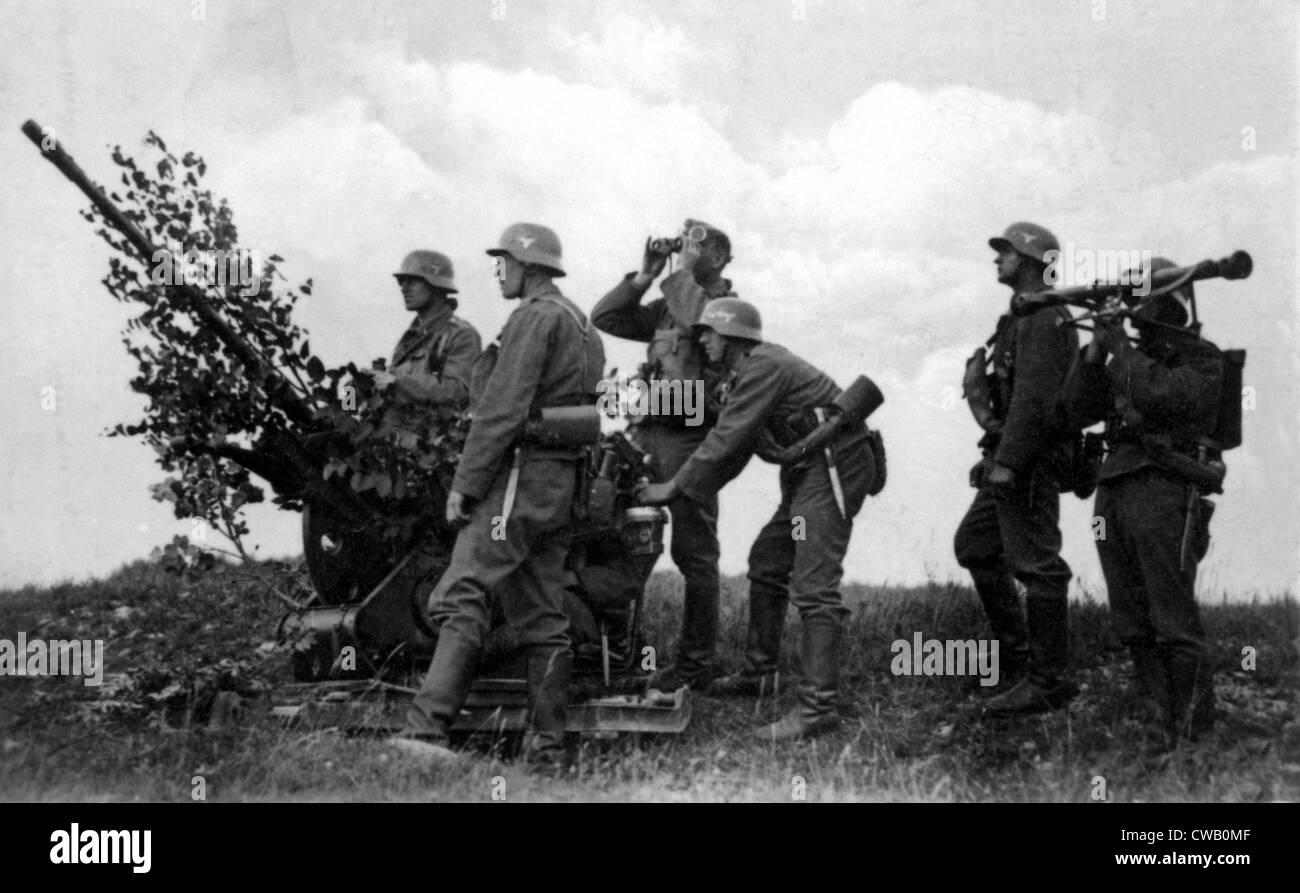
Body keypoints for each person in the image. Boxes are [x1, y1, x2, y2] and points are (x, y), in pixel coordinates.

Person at [391, 223, 606, 769]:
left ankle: (425, 732)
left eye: (503, 263)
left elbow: (501, 409)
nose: (498, 274)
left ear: (526, 267)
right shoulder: (584, 326)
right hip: (562, 485)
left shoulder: (534, 318)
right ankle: (548, 749)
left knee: (459, 593)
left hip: (518, 480)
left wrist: (465, 485)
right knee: (542, 615)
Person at [638, 298, 875, 741]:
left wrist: (672, 488)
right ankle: (760, 675)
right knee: (768, 560)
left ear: (731, 336)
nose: (701, 340)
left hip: (835, 463)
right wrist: (688, 490)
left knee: (815, 584)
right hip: (810, 470)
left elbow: (726, 440)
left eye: (707, 333)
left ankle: (818, 707)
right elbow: (736, 448)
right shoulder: (746, 373)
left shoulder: (764, 365)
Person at [1062, 258, 1223, 749]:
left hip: (1164, 486)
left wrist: (1117, 347)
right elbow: (1072, 410)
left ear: (1169, 305)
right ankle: (1157, 716)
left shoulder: (1202, 358)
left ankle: (1193, 727)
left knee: (1170, 613)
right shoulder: (1124, 357)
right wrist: (1095, 351)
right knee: (1129, 614)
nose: (1134, 312)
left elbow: (1159, 396)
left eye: (1144, 301)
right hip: (1114, 487)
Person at [591, 220, 737, 691]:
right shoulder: (668, 304)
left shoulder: (721, 307)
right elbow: (607, 317)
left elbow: (704, 324)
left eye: (694, 246)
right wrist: (645, 273)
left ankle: (696, 665)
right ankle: (609, 649)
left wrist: (683, 273)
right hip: (647, 433)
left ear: (716, 256)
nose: (684, 252)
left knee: (694, 552)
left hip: (688, 439)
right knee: (618, 530)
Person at [954, 222, 1079, 714]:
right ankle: (1021, 655)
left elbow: (1035, 400)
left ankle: (1049, 682)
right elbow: (1012, 403)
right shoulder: (1019, 319)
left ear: (1028, 259)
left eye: (1004, 251)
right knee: (976, 546)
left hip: (1028, 462)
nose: (996, 258)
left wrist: (1006, 462)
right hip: (1009, 458)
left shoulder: (1047, 317)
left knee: (1038, 566)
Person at [384, 250, 481, 411]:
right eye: (401, 281)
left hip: (435, 432)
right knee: (349, 392)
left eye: (412, 281)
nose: (404, 288)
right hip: (398, 428)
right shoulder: (412, 336)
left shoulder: (461, 334)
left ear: (437, 286)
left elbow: (459, 393)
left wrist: (396, 382)